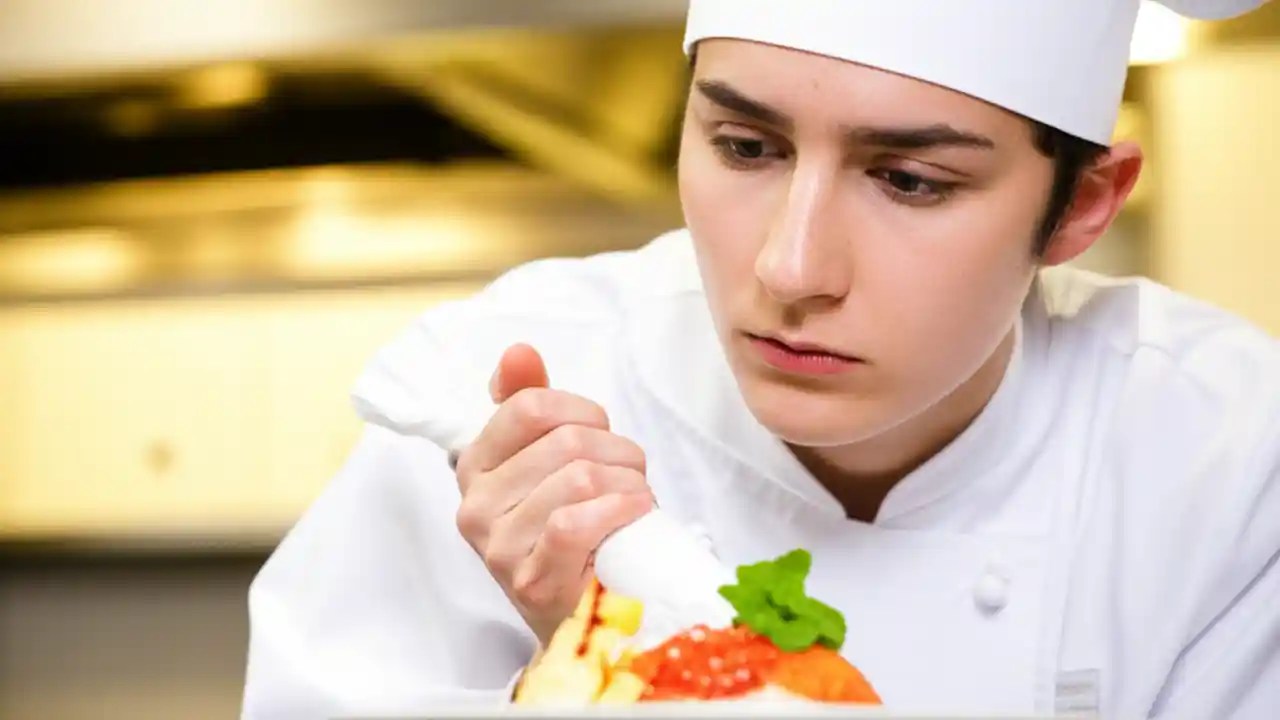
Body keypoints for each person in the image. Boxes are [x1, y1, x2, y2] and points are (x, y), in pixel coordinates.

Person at [241, 1, 1279, 717]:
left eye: (909, 180)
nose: (790, 267)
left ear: (1082, 206)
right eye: (746, 148)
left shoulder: (1226, 465)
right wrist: (573, 678)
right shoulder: (502, 409)